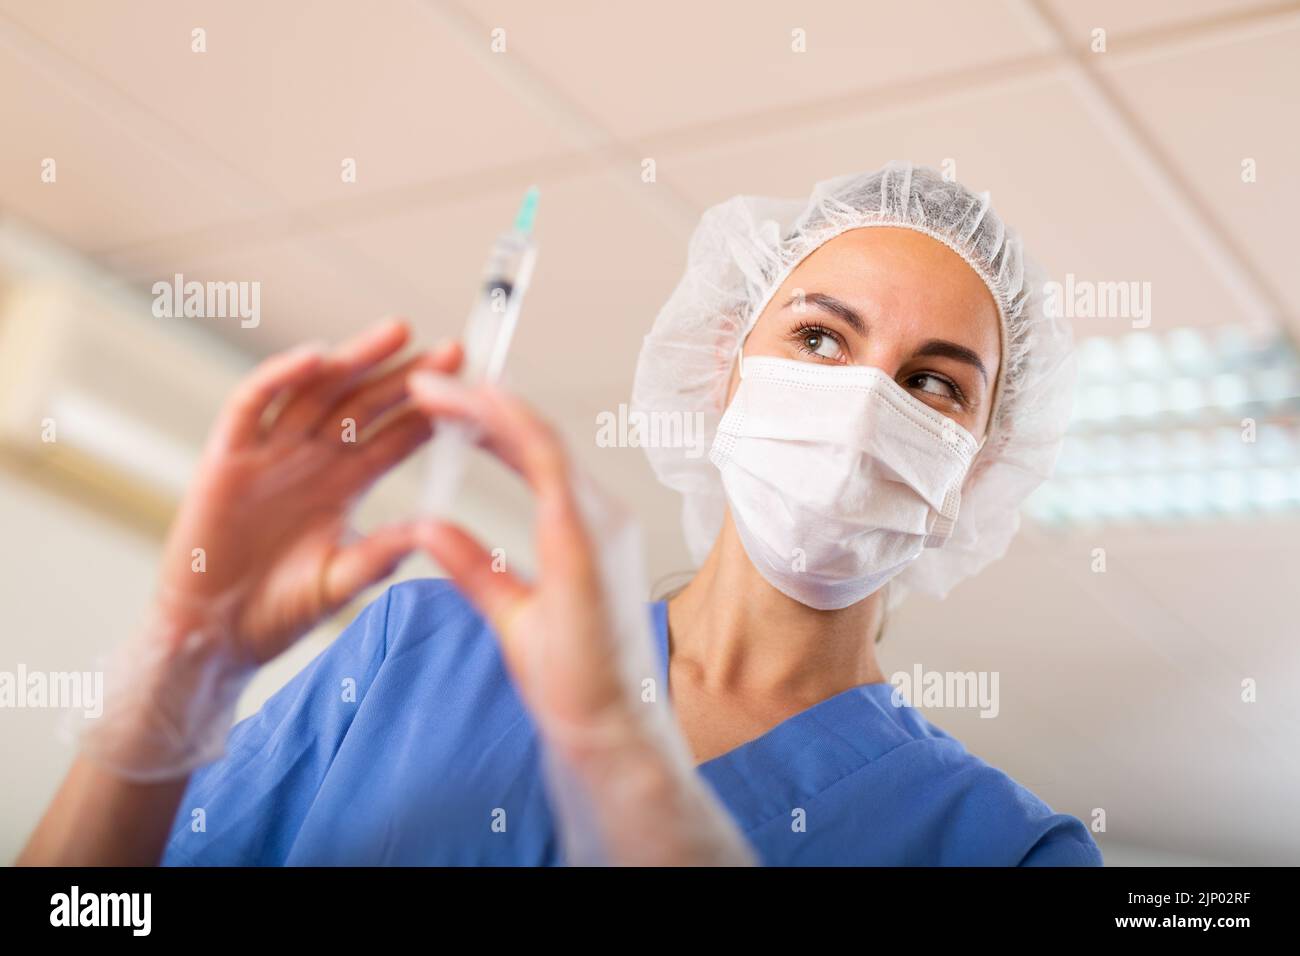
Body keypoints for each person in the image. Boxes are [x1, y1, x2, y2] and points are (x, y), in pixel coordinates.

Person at [19, 162, 1100, 866]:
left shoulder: (1002, 847)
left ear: (979, 463)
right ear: (722, 364)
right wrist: (175, 674)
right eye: (819, 337)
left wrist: (620, 766)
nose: (863, 398)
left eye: (933, 383)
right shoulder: (426, 648)